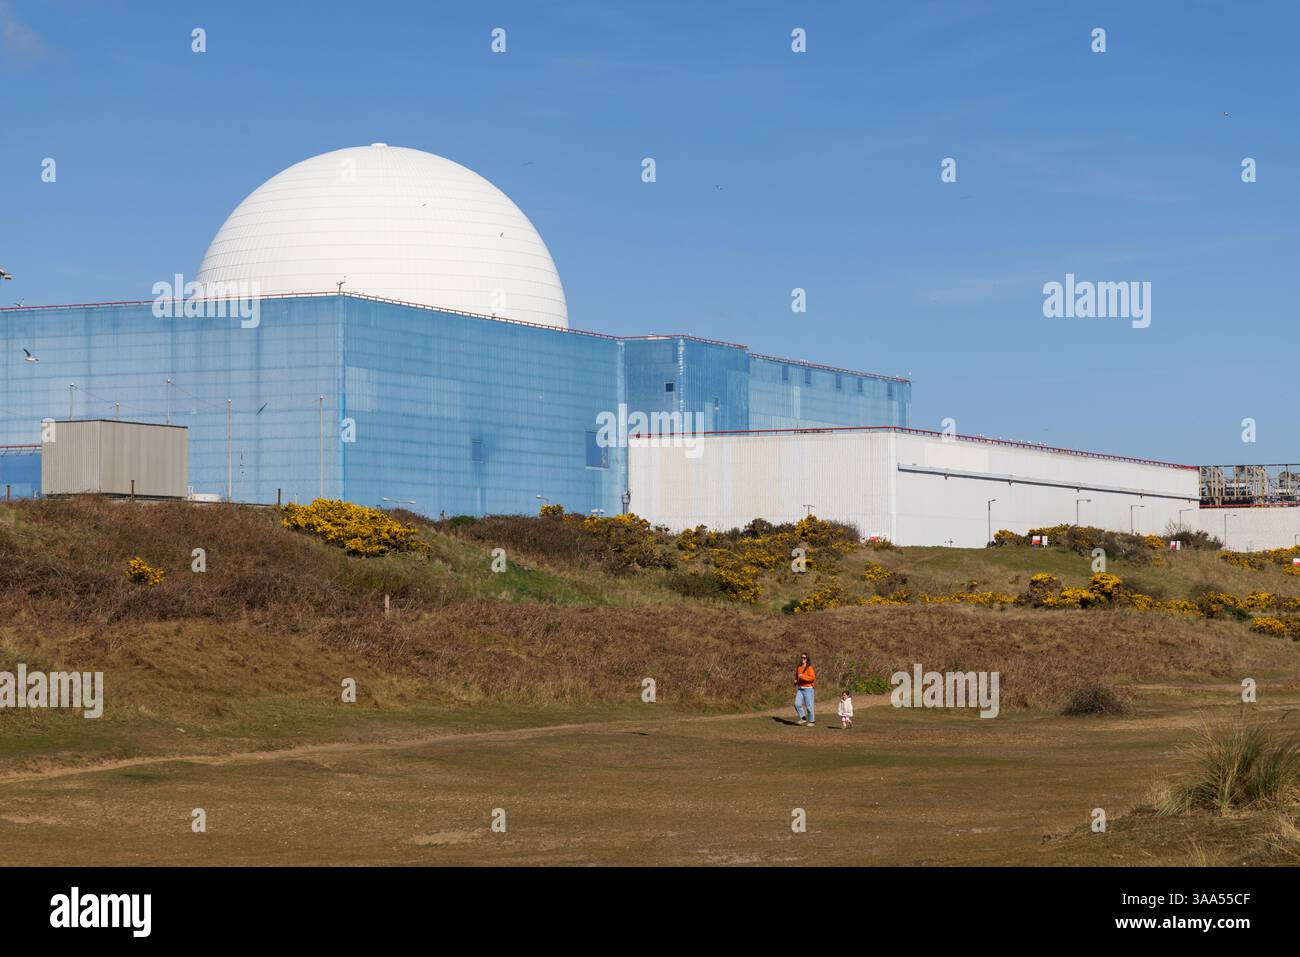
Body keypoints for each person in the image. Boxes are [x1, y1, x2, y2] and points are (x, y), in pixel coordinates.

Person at [794, 653, 816, 726]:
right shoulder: (799, 667)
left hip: (808, 689)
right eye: (802, 657)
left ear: (807, 659)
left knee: (809, 706)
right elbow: (797, 677)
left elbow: (812, 678)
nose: (803, 659)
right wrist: (796, 681)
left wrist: (803, 677)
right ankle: (803, 718)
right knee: (796, 704)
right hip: (800, 689)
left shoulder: (809, 668)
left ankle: (812, 721)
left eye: (804, 658)